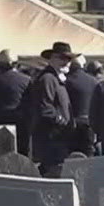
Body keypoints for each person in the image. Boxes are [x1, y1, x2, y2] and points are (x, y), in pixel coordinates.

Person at [29, 43, 75, 175]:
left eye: (68, 59)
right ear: (52, 58)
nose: (66, 62)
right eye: (62, 58)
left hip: (59, 138)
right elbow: (46, 109)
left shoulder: (56, 79)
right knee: (52, 172)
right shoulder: (47, 79)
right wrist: (62, 121)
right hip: (51, 138)